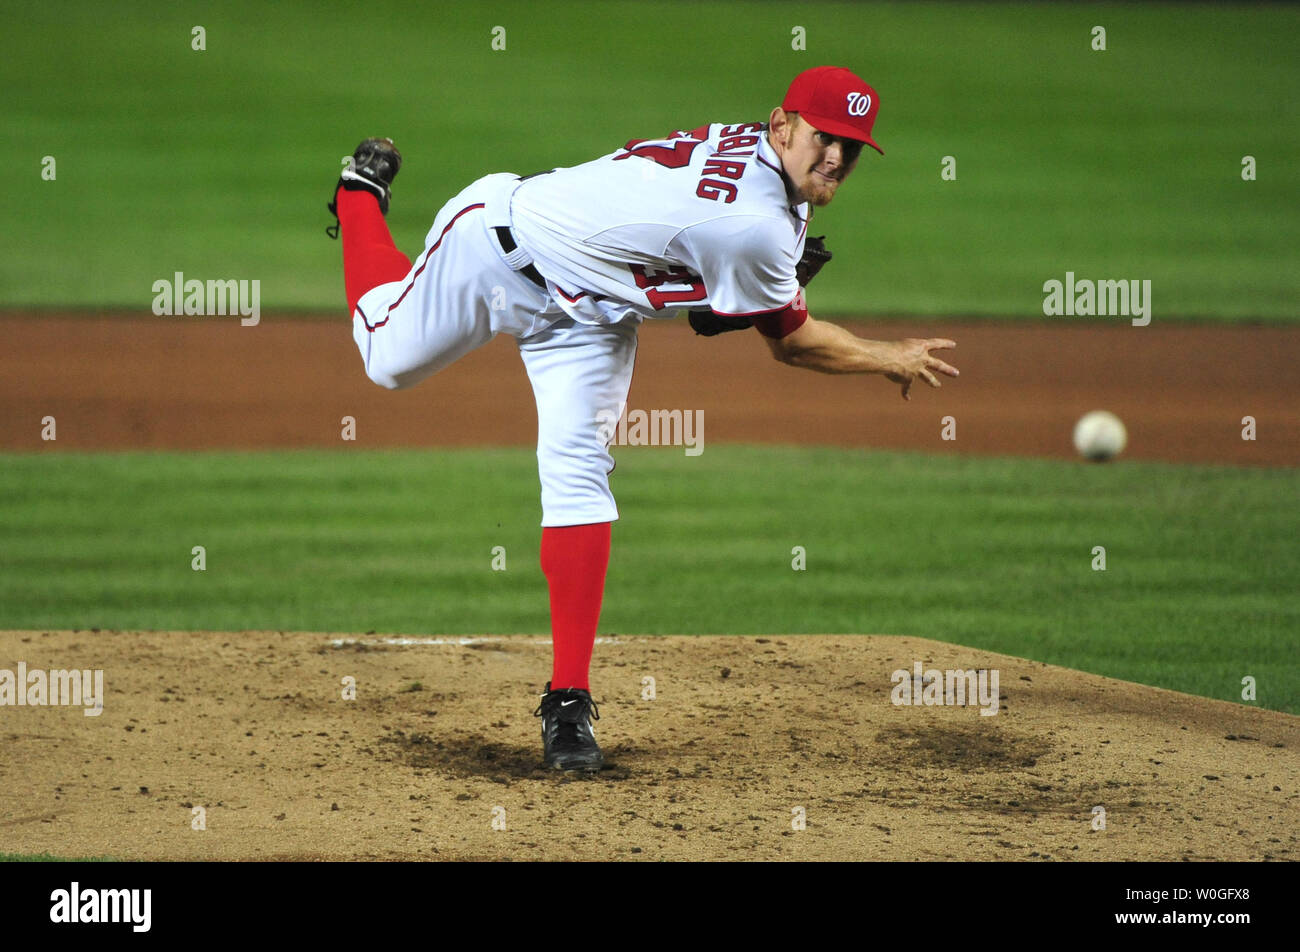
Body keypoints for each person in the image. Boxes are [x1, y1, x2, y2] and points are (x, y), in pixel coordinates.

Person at [326, 65, 959, 773]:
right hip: (498, 252)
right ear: (781, 126)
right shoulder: (755, 225)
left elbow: (698, 286)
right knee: (385, 358)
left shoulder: (768, 171)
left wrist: (717, 299)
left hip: (591, 318)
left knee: (578, 477)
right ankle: (358, 196)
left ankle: (567, 703)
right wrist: (889, 357)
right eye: (826, 138)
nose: (837, 157)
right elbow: (791, 344)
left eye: (851, 145)